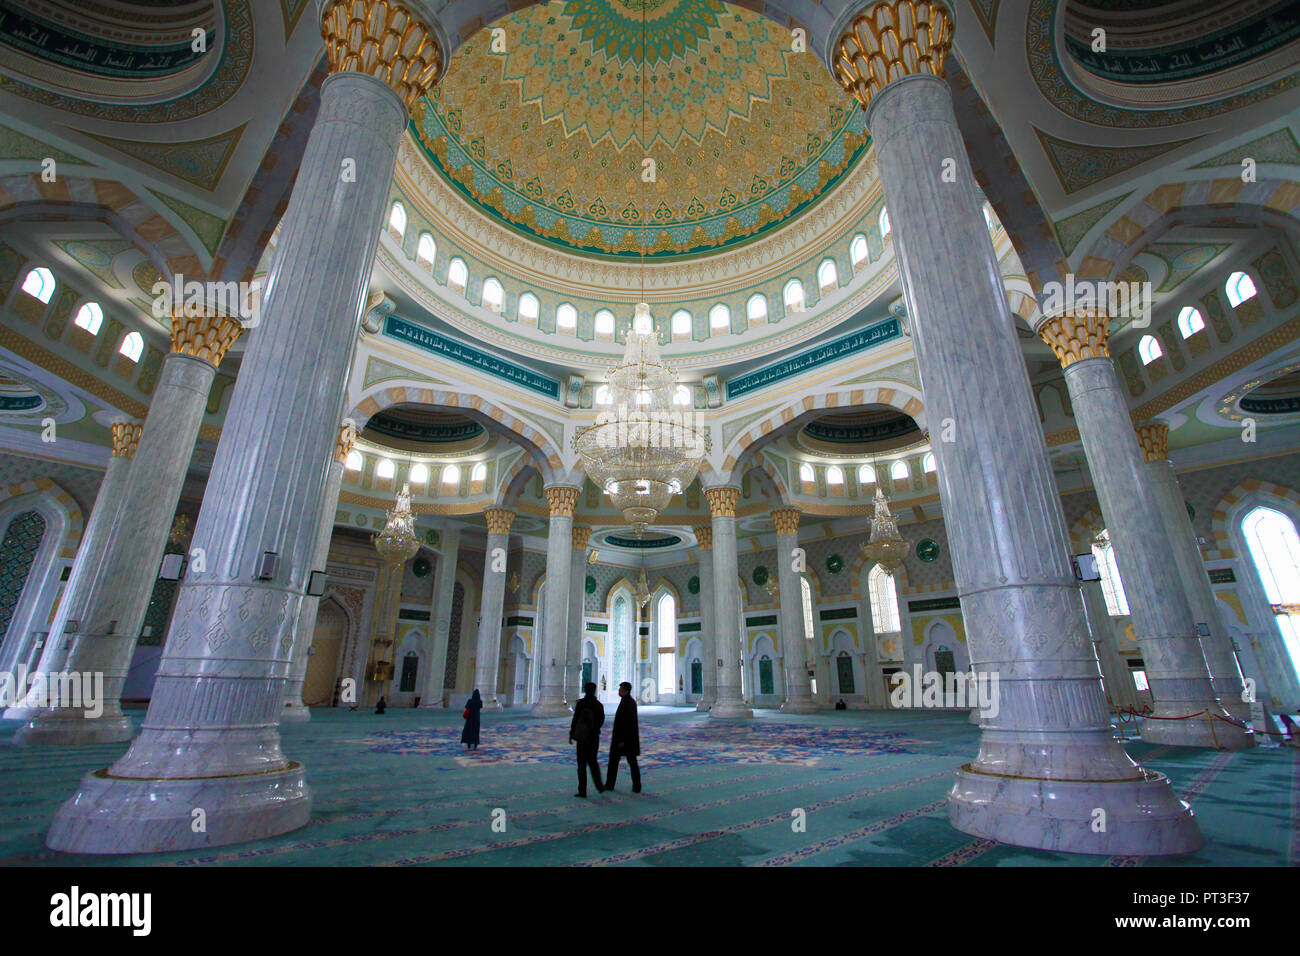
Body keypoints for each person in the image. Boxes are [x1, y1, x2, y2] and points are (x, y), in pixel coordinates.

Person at [569, 681, 605, 797]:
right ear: (594, 690)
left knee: (581, 765)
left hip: (582, 738)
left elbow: (575, 719)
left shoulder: (581, 703)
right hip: (593, 737)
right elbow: (601, 721)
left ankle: (582, 791)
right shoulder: (598, 705)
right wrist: (594, 729)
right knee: (593, 762)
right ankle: (599, 786)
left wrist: (572, 734)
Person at [606, 681, 641, 793]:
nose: (619, 691)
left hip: (625, 740)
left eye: (620, 689)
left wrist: (622, 740)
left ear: (625, 691)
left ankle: (636, 785)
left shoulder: (629, 703)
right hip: (626, 739)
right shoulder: (627, 701)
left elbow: (628, 724)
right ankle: (611, 784)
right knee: (620, 762)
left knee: (628, 762)